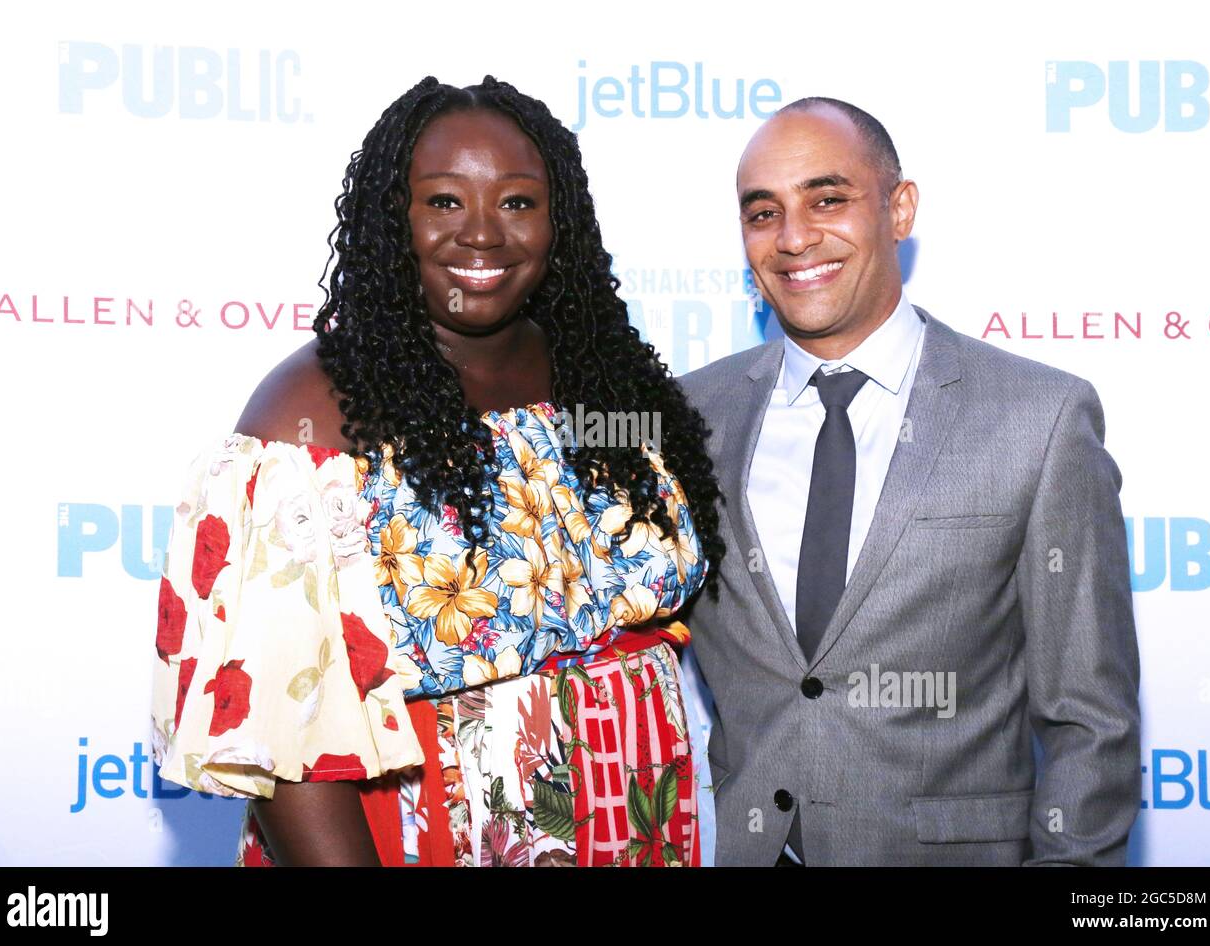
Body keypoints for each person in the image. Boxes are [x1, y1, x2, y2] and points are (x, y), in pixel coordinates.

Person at [150, 75, 725, 867]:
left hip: (640, 821)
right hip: (432, 836)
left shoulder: (605, 376)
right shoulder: (309, 409)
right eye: (444, 201)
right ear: (395, 218)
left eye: (518, 202)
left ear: (562, 222)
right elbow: (284, 740)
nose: (482, 234)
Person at [678, 96, 1141, 865]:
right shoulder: (689, 416)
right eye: (763, 213)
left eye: (828, 199)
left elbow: (1091, 722)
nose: (794, 238)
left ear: (899, 209)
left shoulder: (1040, 418)